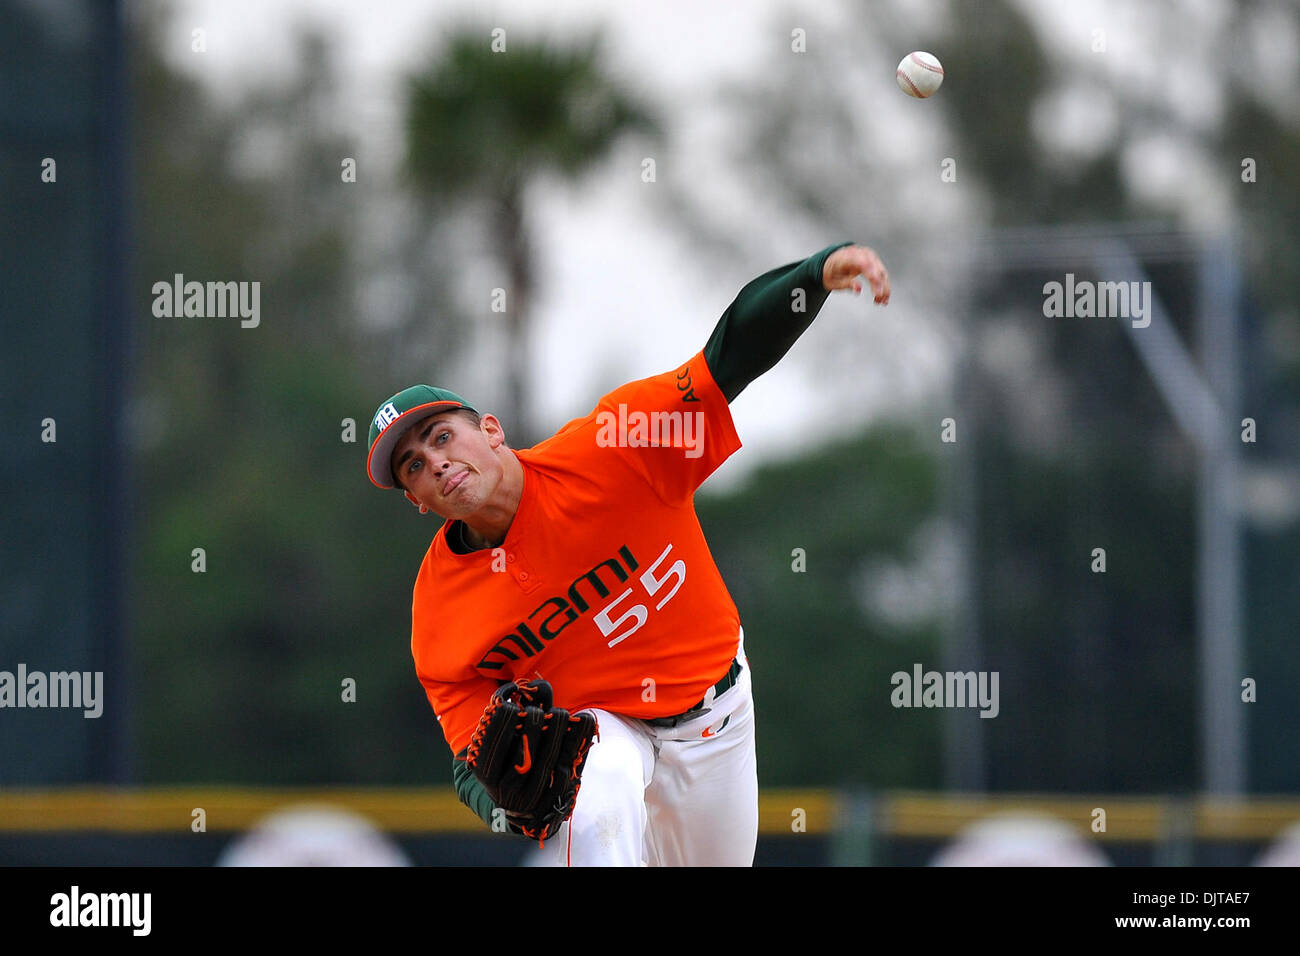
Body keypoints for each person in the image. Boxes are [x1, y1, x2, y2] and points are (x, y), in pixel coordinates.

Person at [365, 242, 890, 866]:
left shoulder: (612, 450)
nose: (437, 462)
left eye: (442, 436)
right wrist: (505, 807)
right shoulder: (440, 610)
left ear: (493, 431)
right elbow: (471, 760)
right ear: (417, 500)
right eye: (414, 467)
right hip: (609, 730)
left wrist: (812, 278)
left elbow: (726, 361)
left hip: (715, 717)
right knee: (600, 782)